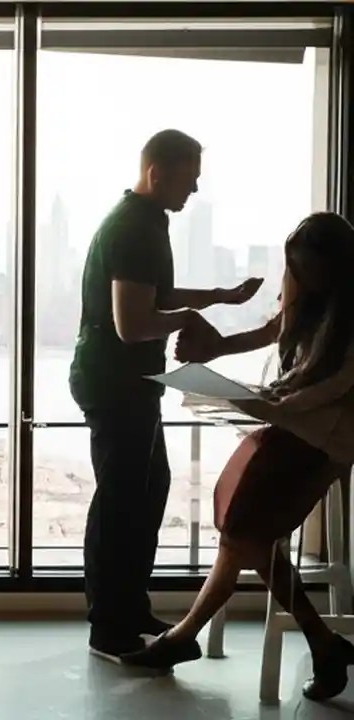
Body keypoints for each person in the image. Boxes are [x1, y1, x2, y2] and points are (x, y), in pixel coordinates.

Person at [123, 212, 354, 701]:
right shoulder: (311, 302)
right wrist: (218, 354)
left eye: (311, 271)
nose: (303, 281)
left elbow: (318, 395)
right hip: (291, 428)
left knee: (244, 536)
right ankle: (318, 643)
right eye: (297, 270)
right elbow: (274, 330)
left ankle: (185, 639)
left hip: (324, 441)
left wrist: (257, 401)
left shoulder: (350, 324)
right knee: (245, 535)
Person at [68, 129, 264, 662]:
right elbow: (132, 324)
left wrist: (218, 298)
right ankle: (109, 627)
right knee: (123, 499)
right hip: (115, 381)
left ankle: (128, 609)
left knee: (146, 487)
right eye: (189, 178)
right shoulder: (135, 227)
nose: (194, 190)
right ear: (158, 173)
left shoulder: (144, 222)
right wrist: (193, 318)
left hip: (128, 382)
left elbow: (154, 295)